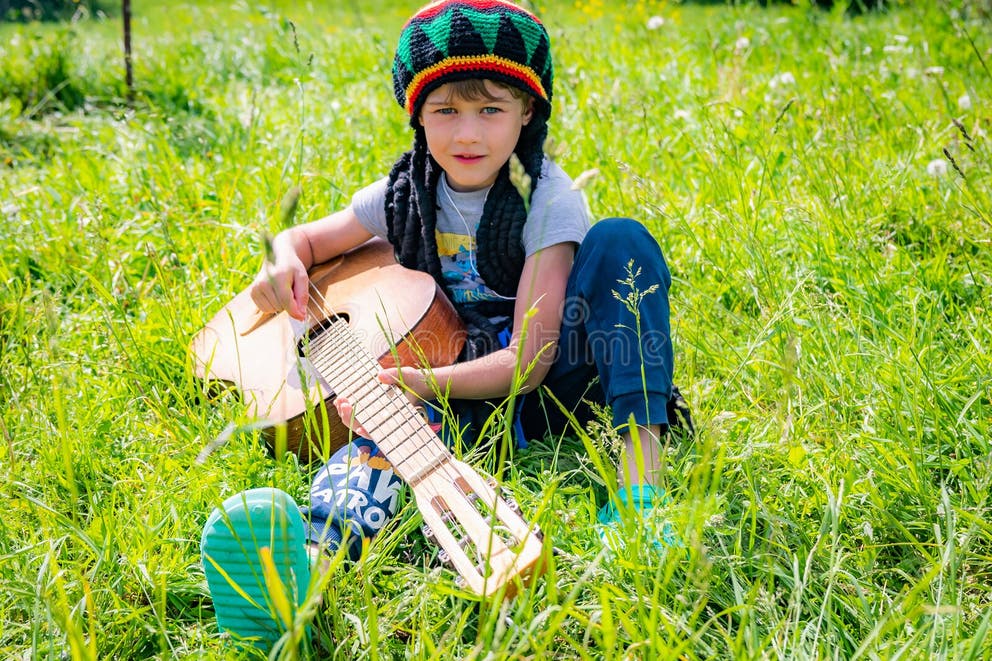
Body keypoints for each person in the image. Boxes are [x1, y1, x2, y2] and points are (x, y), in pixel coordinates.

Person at [200, 0, 693, 649]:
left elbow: (529, 362)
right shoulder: (406, 191)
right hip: (450, 374)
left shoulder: (548, 198)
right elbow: (304, 240)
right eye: (445, 110)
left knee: (621, 243)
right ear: (417, 114)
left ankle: (639, 495)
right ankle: (302, 573)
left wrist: (420, 381)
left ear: (527, 112)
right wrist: (282, 260)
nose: (467, 133)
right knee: (384, 434)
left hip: (550, 381)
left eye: (490, 110)